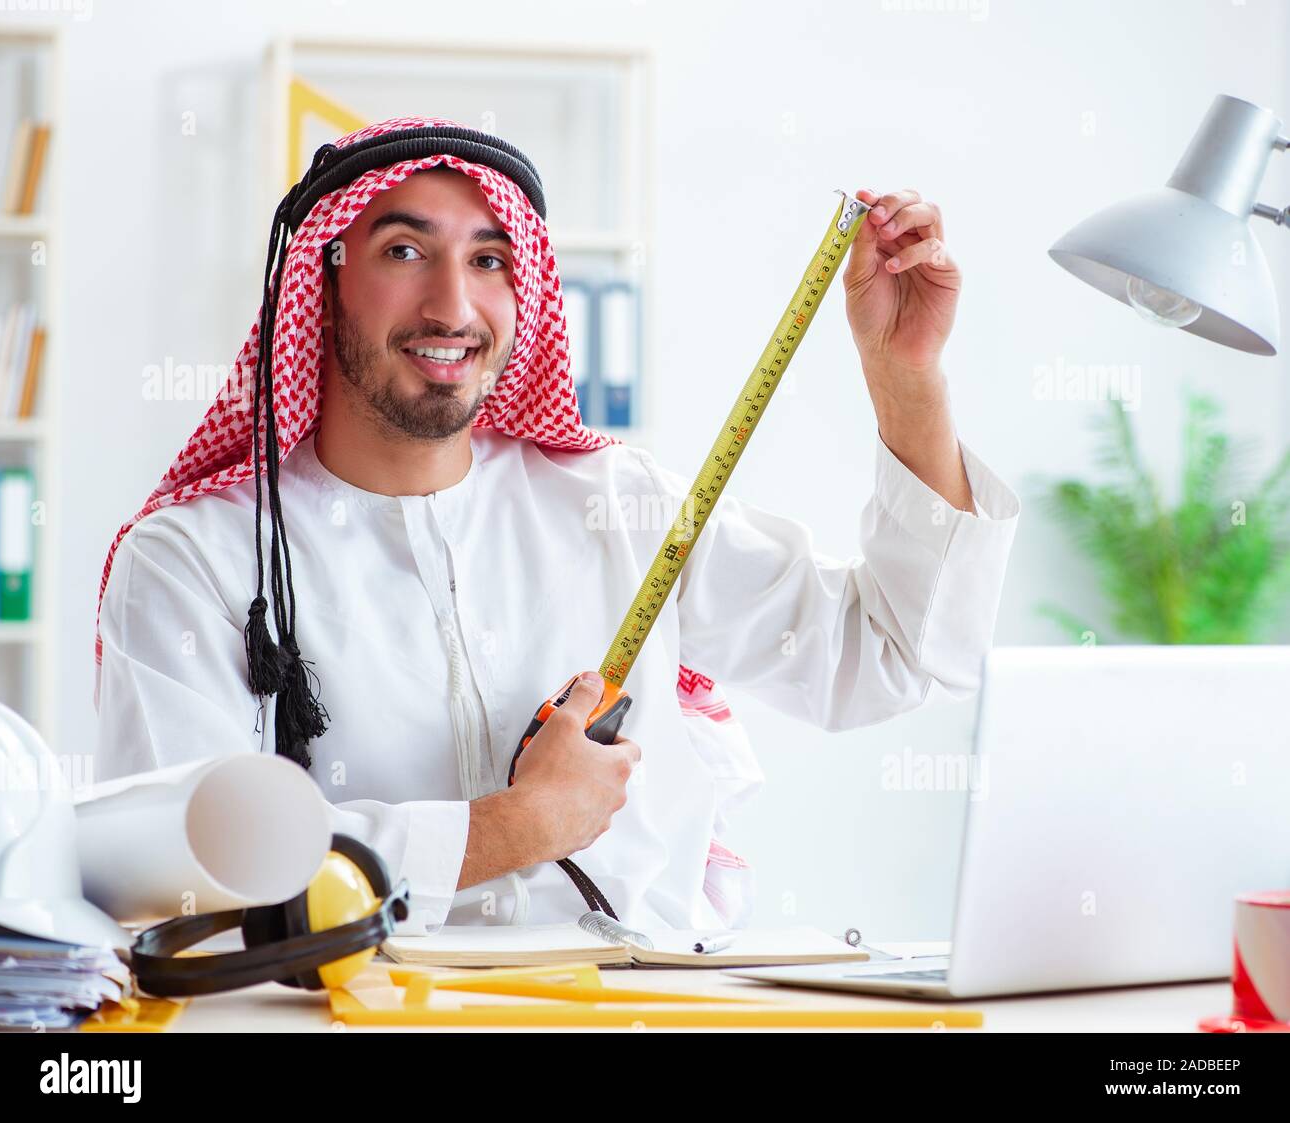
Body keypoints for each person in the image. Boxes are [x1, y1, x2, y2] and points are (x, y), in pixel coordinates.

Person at [93, 117, 1019, 934]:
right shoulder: (191, 562)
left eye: (490, 259)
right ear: (322, 281)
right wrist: (509, 829)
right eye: (405, 251)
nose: (453, 305)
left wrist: (906, 384)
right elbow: (181, 877)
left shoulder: (623, 507)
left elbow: (897, 653)